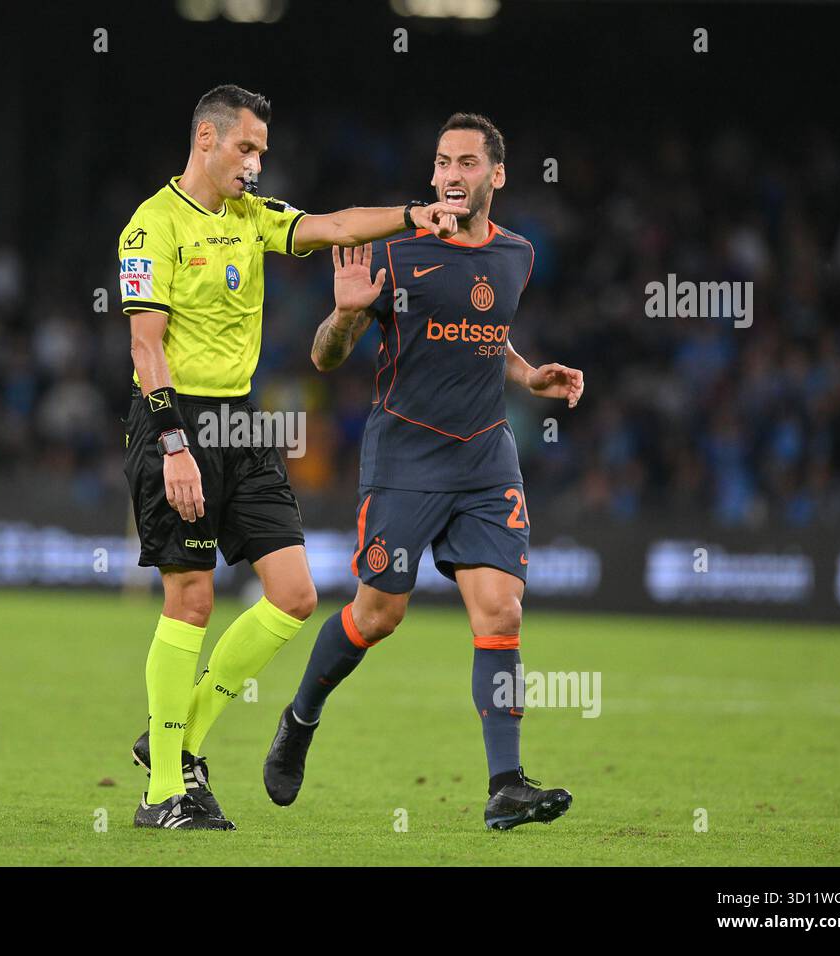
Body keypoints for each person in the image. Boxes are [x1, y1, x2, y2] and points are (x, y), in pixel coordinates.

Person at [118, 84, 468, 830]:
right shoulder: (151, 228)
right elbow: (145, 345)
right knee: (192, 599)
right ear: (206, 141)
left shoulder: (253, 216)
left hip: (241, 423)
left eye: (262, 153)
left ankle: (177, 745)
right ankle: (161, 797)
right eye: (246, 148)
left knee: (295, 595)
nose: (255, 164)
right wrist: (174, 444)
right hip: (176, 422)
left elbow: (336, 225)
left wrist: (417, 214)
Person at [264, 113, 583, 830]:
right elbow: (324, 357)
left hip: (484, 456)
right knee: (379, 616)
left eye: (467, 163)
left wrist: (529, 377)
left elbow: (486, 336)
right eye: (442, 162)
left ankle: (506, 785)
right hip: (406, 457)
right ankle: (300, 718)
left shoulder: (518, 256)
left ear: (496, 176)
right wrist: (345, 316)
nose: (450, 175)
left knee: (501, 611)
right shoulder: (396, 255)